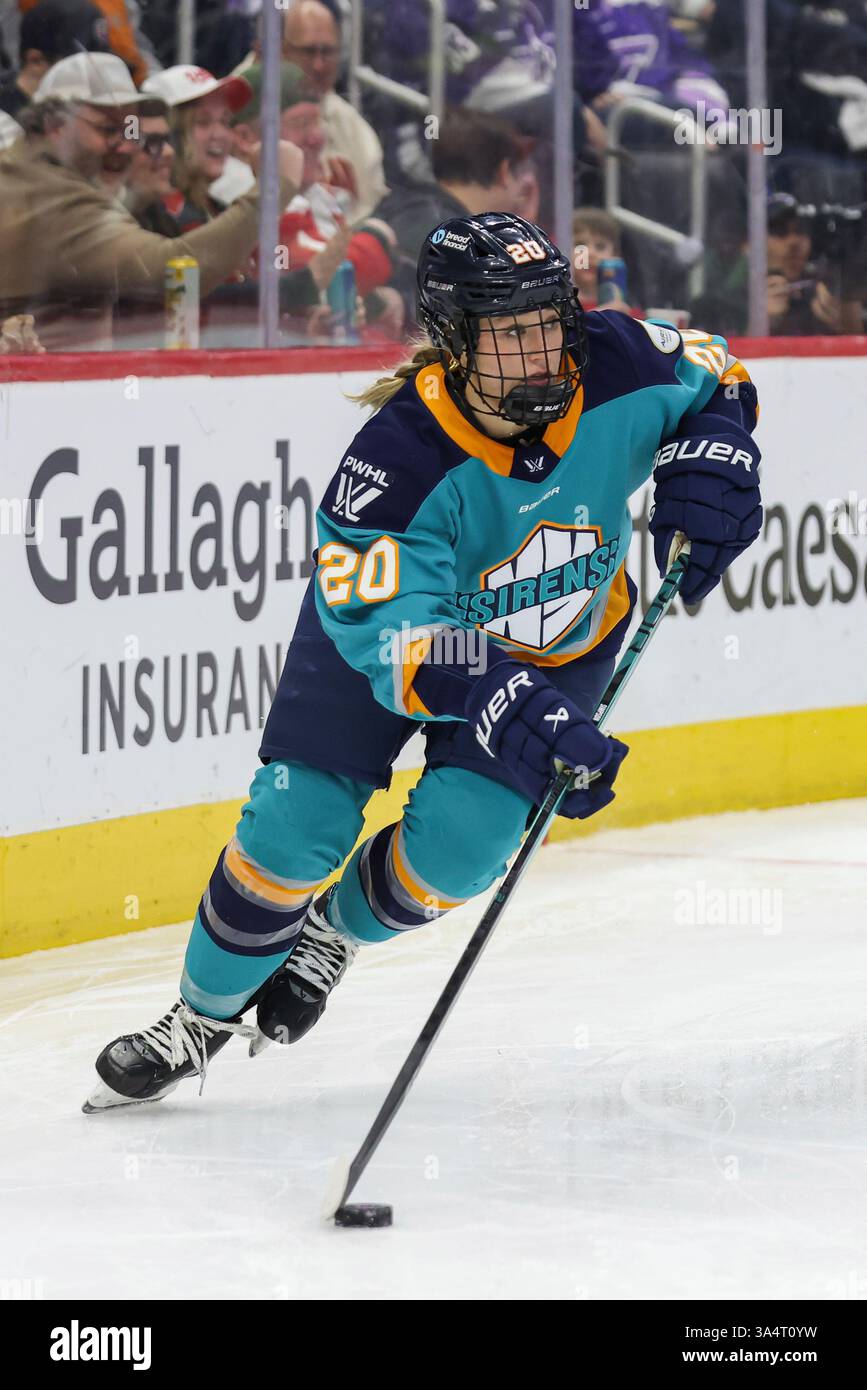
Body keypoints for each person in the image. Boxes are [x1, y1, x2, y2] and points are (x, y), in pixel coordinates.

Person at [83, 212, 763, 1112]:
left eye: (549, 322)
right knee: (296, 827)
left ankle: (329, 936)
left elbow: (716, 370)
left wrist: (717, 451)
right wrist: (496, 696)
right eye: (509, 334)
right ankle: (200, 1016)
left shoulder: (619, 359)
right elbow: (402, 634)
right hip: (383, 640)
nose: (543, 353)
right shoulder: (393, 463)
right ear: (453, 338)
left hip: (560, 642)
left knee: (465, 847)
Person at [0, 51, 303, 350]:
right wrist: (275, 188)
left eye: (130, 130)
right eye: (108, 129)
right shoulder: (54, 199)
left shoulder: (28, 176)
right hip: (52, 390)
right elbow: (174, 274)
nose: (124, 147)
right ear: (55, 126)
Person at [0, 0, 108, 121]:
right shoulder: (6, 122)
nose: (94, 76)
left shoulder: (75, 115)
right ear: (36, 61)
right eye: (79, 67)